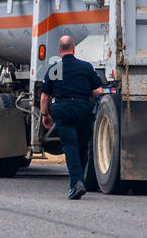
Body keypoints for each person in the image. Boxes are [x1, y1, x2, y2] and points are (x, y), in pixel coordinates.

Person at [40, 35, 106, 200]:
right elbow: (98, 91)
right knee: (83, 146)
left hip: (62, 111)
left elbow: (44, 97)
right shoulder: (85, 67)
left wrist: (45, 115)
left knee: (70, 146)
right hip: (83, 109)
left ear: (59, 50)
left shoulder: (55, 69)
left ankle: (76, 183)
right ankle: (80, 180)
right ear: (74, 48)